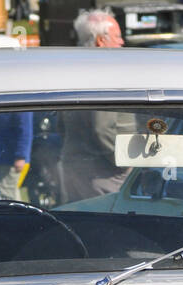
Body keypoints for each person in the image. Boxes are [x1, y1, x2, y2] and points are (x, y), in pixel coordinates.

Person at [58, 9, 134, 203]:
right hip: (104, 174)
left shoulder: (73, 70)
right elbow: (102, 129)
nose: (122, 42)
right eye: (117, 36)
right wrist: (126, 163)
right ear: (101, 40)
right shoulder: (104, 72)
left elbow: (61, 123)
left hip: (75, 168)